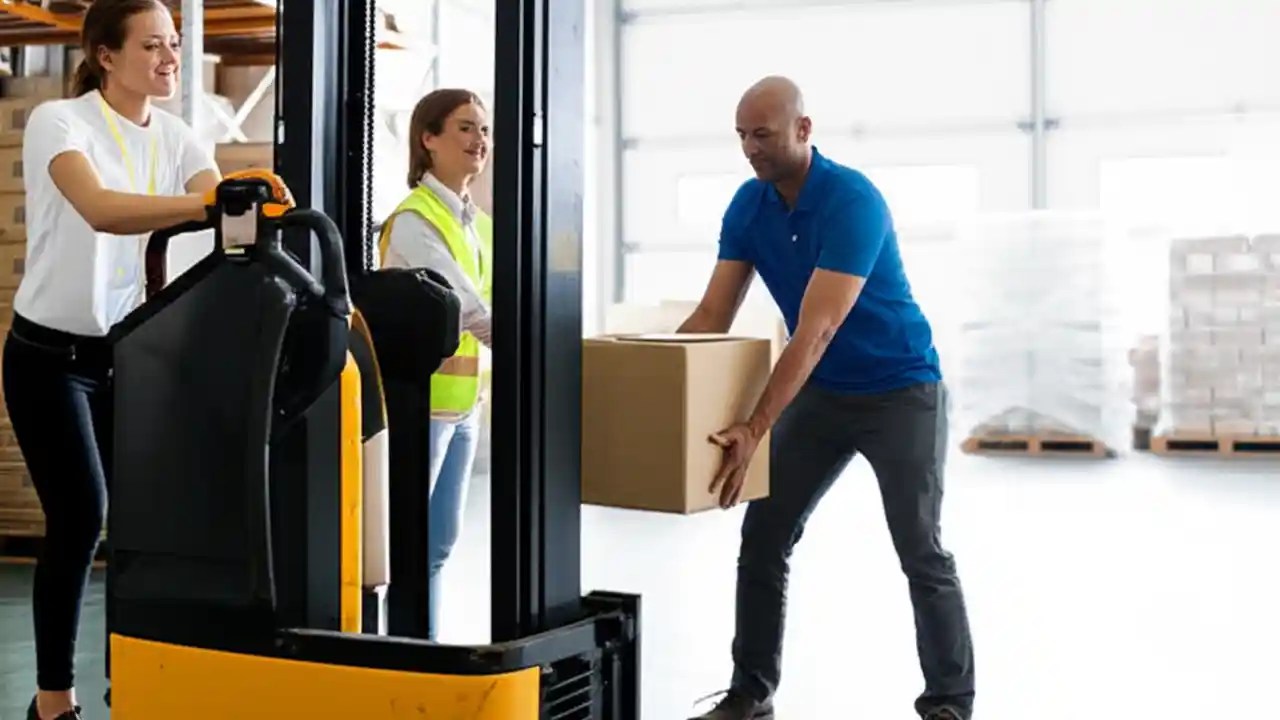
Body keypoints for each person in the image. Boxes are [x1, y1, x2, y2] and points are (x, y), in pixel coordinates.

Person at [2, 2, 292, 718]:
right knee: (80, 516)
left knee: (146, 519)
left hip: (126, 355)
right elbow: (100, 208)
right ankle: (51, 700)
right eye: (154, 46)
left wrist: (254, 200)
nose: (171, 59)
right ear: (105, 55)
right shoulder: (60, 123)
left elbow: (216, 210)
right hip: (47, 358)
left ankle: (134, 674)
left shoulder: (178, 134)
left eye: (176, 44)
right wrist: (212, 204)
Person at [680, 76, 976, 720]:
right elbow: (712, 313)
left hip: (901, 389)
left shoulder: (852, 200)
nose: (750, 149)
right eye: (740, 136)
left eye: (763, 134)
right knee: (764, 534)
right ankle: (751, 691)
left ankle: (949, 705)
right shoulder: (748, 205)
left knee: (920, 548)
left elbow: (815, 331)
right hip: (824, 392)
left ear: (803, 130)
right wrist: (650, 380)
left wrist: (757, 425)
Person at [377, 88, 493, 641]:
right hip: (419, 407)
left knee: (437, 546)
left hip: (463, 407)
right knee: (401, 545)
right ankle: (395, 654)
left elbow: (497, 299)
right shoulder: (412, 220)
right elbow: (467, 305)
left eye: (484, 130)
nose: (481, 141)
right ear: (429, 139)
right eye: (467, 128)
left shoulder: (479, 223)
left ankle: (425, 652)